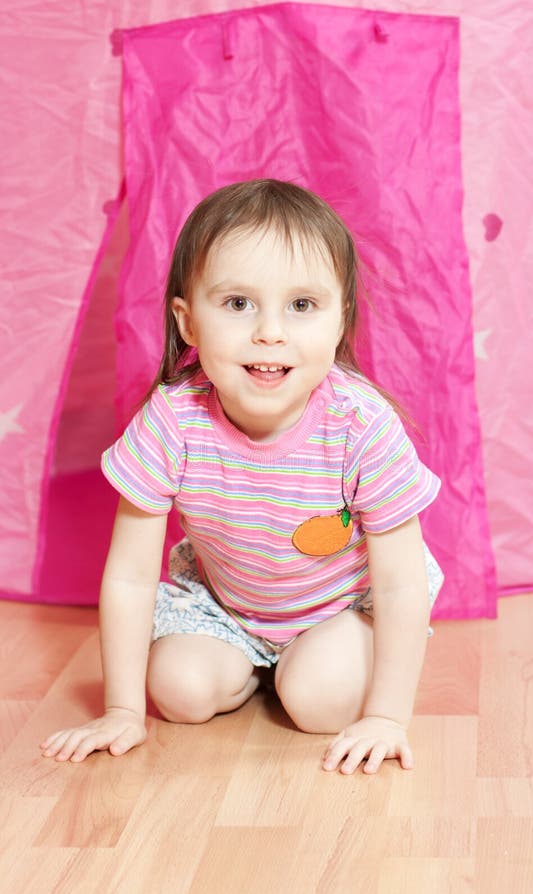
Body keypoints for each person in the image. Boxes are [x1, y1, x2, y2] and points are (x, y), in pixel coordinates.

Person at [40, 179, 443, 775]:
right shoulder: (173, 420)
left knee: (317, 698)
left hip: (342, 605)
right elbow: (129, 577)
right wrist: (122, 709)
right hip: (227, 606)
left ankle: (313, 666)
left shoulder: (359, 425)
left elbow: (402, 583)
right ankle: (256, 665)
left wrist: (386, 716)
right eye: (237, 304)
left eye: (301, 306)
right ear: (189, 323)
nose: (270, 332)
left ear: (340, 321)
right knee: (177, 690)